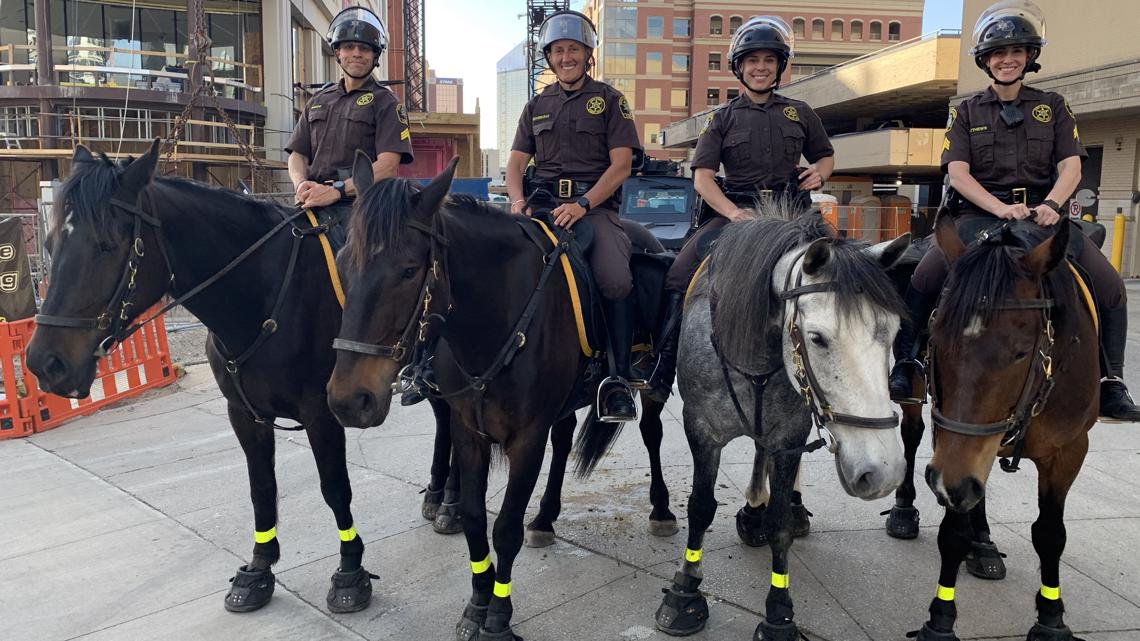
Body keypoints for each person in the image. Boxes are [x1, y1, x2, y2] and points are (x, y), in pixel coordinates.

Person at [888, 0, 1140, 421]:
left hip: (1043, 216)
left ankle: (1111, 381)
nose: (1007, 59)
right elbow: (959, 173)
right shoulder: (967, 111)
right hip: (979, 215)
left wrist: (1052, 205)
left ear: (1029, 57)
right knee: (924, 275)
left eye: (1016, 51)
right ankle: (907, 361)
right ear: (985, 60)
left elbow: (1071, 165)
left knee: (1110, 285)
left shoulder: (1054, 106)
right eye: (998, 53)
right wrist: (1000, 208)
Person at [648, 16, 834, 401]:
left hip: (793, 212)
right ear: (739, 67)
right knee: (679, 275)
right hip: (738, 211)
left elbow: (825, 156)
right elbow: (702, 178)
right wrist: (732, 213)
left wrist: (819, 172)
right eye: (752, 61)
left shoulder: (800, 112)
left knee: (847, 268)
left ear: (780, 66)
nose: (760, 68)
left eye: (768, 60)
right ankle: (663, 366)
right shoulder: (721, 118)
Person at [506, 10, 642, 423]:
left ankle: (617, 379)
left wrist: (583, 205)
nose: (566, 57)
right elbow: (515, 165)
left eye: (574, 49)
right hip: (542, 207)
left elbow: (621, 166)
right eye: (559, 50)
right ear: (549, 57)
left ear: (588, 54)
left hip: (592, 209)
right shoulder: (536, 106)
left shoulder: (610, 100)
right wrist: (516, 201)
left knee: (616, 278)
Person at [285, 6, 413, 228]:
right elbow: (298, 155)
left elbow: (388, 166)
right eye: (348, 46)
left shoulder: (387, 103)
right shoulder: (317, 101)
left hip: (361, 211)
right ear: (337, 52)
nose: (356, 53)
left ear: (375, 55)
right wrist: (301, 184)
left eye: (364, 48)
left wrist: (337, 191)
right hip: (311, 204)